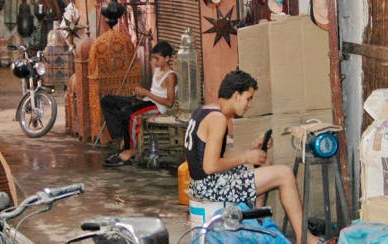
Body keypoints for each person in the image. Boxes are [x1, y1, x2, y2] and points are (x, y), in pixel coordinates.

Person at [183, 69, 320, 244]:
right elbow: (210, 166)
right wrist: (246, 157)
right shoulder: (218, 119)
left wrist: (251, 148)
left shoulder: (204, 111)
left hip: (201, 184)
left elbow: (218, 154)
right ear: (236, 95)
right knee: (284, 174)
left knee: (263, 163)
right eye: (248, 98)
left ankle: (257, 224)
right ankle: (305, 238)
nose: (249, 104)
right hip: (211, 186)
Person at [101, 41, 177, 167]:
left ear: (167, 58)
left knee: (127, 112)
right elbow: (154, 92)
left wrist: (146, 92)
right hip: (147, 102)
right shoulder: (158, 70)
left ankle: (130, 150)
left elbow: (169, 103)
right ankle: (121, 138)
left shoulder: (171, 76)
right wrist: (141, 94)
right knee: (108, 101)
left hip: (158, 108)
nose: (154, 62)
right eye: (153, 58)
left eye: (157, 59)